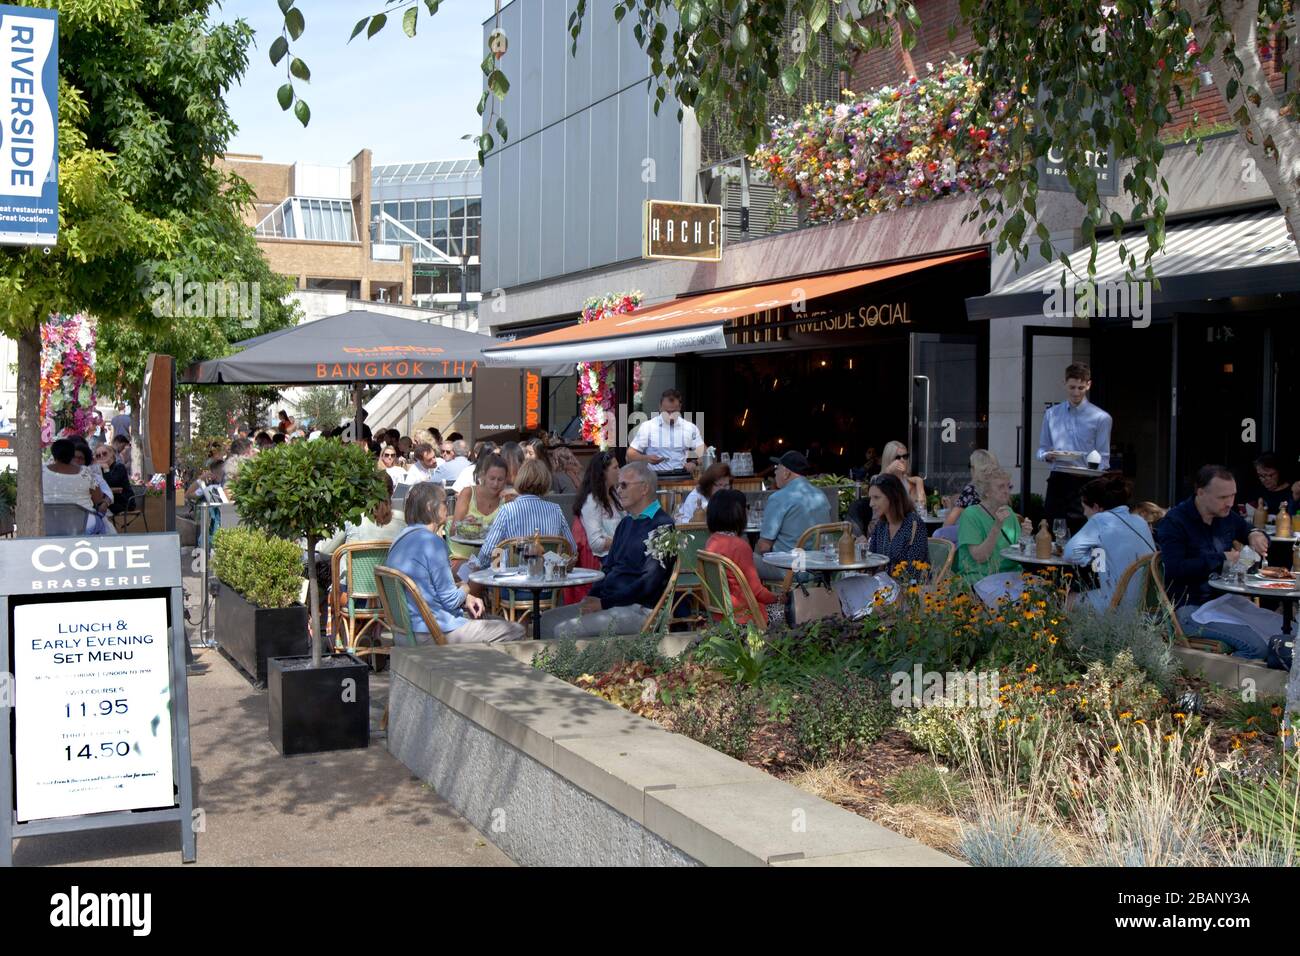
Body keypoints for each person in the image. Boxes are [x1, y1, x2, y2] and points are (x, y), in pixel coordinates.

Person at [541, 462, 675, 638]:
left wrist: (603, 603)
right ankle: (546, 667)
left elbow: (648, 583)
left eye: (624, 485)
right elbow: (608, 568)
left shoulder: (663, 526)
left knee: (563, 630)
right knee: (546, 621)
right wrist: (592, 597)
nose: (618, 490)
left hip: (640, 609)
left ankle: (576, 666)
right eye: (618, 485)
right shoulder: (627, 523)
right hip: (612, 603)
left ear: (644, 488)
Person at [1155, 465, 1275, 659]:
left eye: (1233, 496)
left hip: (1226, 601)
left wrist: (1255, 534)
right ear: (1200, 492)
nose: (1230, 503)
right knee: (1258, 647)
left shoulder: (1226, 517)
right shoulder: (1175, 522)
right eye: (1222, 497)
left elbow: (1248, 529)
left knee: (1284, 632)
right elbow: (1174, 569)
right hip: (1188, 607)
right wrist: (1221, 558)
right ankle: (1226, 684)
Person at [382, 483, 524, 644]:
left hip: (405, 632)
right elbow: (450, 600)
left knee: (488, 618)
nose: (447, 507)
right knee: (515, 630)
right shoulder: (432, 542)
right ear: (430, 507)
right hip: (433, 632)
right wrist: (467, 584)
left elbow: (433, 589)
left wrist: (466, 597)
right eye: (444, 502)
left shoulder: (399, 540)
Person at [463, 460, 575, 578]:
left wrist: (478, 567)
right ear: (546, 481)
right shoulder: (556, 509)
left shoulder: (507, 510)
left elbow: (487, 552)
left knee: (473, 576)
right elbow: (571, 548)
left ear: (520, 479)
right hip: (548, 585)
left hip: (511, 585)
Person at [1037, 362, 1113, 533]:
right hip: (1058, 479)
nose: (1076, 392)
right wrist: (1047, 456)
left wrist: (1092, 474)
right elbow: (1042, 449)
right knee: (1051, 530)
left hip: (1085, 482)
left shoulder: (1101, 418)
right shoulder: (1052, 414)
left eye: (1080, 387)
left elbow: (1104, 458)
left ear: (1088, 385)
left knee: (1082, 532)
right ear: (1064, 384)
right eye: (1072, 387)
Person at [1063, 474, 1156, 610]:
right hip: (1146, 604)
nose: (1083, 513)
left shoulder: (1100, 519)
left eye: (1084, 508)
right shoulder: (1139, 521)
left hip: (1118, 604)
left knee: (1065, 598)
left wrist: (1095, 556)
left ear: (1096, 507)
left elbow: (1069, 554)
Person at [701, 489, 778, 626]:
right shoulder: (739, 546)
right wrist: (778, 598)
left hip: (721, 613)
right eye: (746, 507)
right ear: (738, 513)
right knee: (791, 611)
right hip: (744, 615)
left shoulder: (712, 541)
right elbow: (756, 591)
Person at [755, 451, 832, 582]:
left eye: (777, 468)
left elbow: (764, 547)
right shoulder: (821, 496)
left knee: (740, 556)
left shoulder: (778, 498)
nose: (774, 473)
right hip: (818, 569)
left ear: (786, 472)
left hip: (789, 569)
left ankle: (757, 601)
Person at [955, 467, 1021, 584]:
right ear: (986, 492)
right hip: (980, 577)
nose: (1007, 491)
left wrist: (1026, 536)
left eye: (1008, 486)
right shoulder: (971, 514)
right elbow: (980, 557)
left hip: (1013, 575)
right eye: (1001, 487)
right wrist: (996, 527)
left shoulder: (1009, 512)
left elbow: (1017, 550)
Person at [857, 473, 930, 577]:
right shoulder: (881, 525)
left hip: (907, 588)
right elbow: (872, 563)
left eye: (876, 498)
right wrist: (862, 551)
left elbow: (914, 570)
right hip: (883, 586)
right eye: (871, 498)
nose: (871, 504)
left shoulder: (914, 525)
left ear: (892, 496)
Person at [627, 388, 705, 476]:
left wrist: (695, 463)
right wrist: (647, 458)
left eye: (674, 412)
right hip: (655, 478)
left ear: (680, 407)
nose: (670, 416)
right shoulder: (648, 426)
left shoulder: (689, 427)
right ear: (660, 407)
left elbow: (705, 454)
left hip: (681, 478)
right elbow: (630, 455)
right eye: (667, 412)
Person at [44, 438, 113, 534]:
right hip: (84, 526)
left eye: (80, 458)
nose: (77, 460)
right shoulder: (85, 473)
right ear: (72, 455)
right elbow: (98, 499)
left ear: (54, 454)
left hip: (49, 525)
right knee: (102, 524)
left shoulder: (41, 472)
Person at [450, 453, 507, 565]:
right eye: (492, 478)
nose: (495, 484)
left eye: (500, 479)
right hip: (463, 557)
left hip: (493, 558)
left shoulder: (506, 499)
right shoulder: (468, 493)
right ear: (483, 476)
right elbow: (452, 531)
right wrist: (463, 524)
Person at [575, 450, 625, 558]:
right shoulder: (592, 501)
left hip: (620, 554)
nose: (619, 471)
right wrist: (623, 542)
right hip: (604, 559)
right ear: (603, 472)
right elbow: (596, 543)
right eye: (615, 468)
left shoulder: (614, 495)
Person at [943, 449, 1000, 527]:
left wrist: (950, 509)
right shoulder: (999, 488)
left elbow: (950, 522)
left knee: (938, 533)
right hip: (994, 532)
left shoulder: (972, 490)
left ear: (975, 467)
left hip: (973, 533)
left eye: (970, 465)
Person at [881, 440, 927, 513]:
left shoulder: (911, 483)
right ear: (889, 459)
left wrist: (919, 482)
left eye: (905, 456)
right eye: (897, 457)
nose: (902, 460)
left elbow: (922, 510)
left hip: (910, 522)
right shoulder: (878, 480)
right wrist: (889, 471)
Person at [92, 443, 131, 515]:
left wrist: (106, 469)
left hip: (123, 502)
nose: (101, 456)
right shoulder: (99, 469)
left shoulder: (119, 467)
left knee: (96, 509)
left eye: (104, 453)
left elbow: (111, 483)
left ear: (111, 454)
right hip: (109, 501)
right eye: (98, 456)